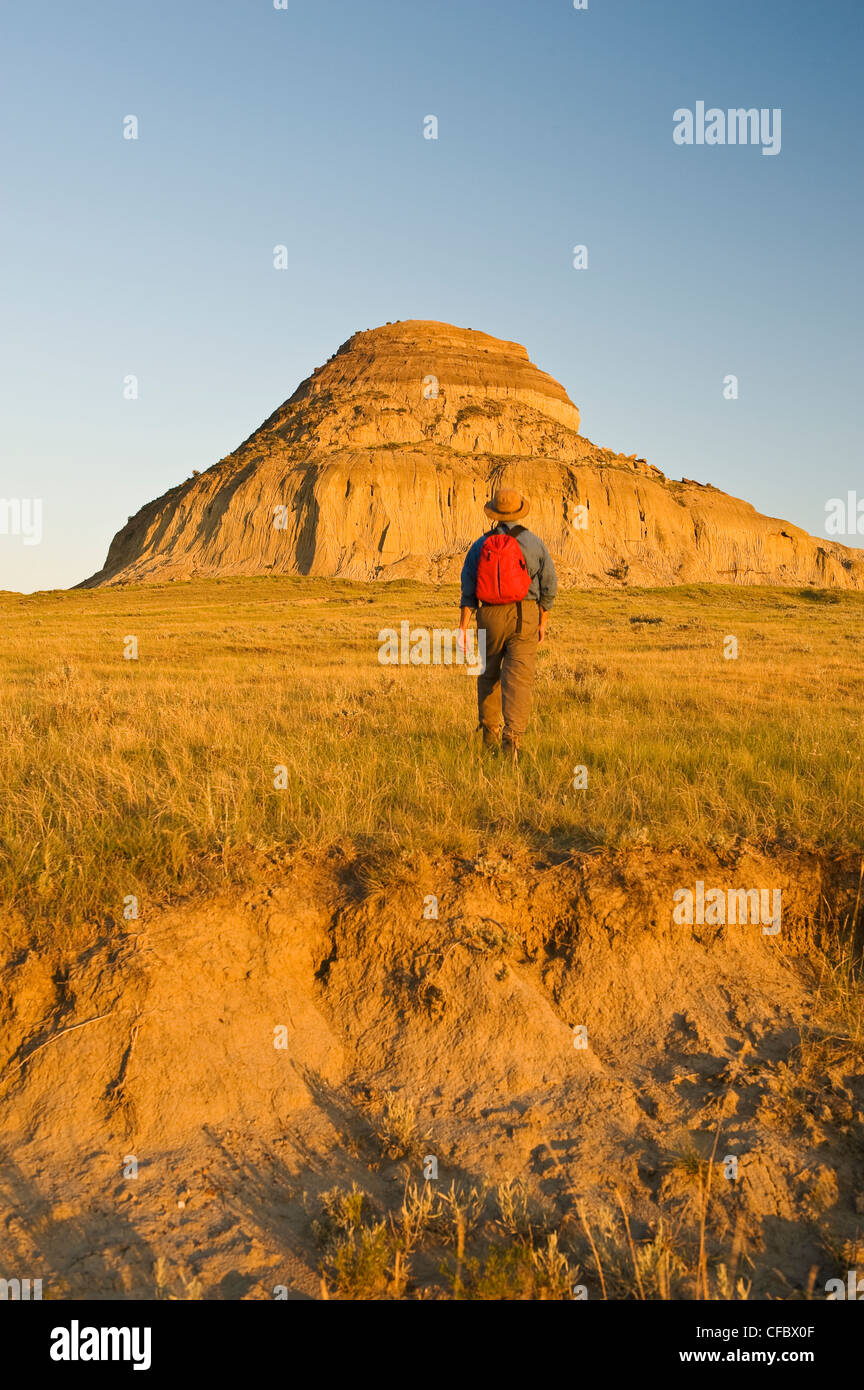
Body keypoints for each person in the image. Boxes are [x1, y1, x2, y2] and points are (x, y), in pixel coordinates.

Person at [458, 487, 557, 763]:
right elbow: (549, 584)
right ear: (519, 512)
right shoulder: (534, 543)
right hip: (524, 617)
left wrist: (463, 626)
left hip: (488, 617)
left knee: (488, 675)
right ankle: (512, 740)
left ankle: (489, 734)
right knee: (518, 680)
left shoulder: (480, 545)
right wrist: (542, 620)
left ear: (496, 515)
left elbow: (468, 588)